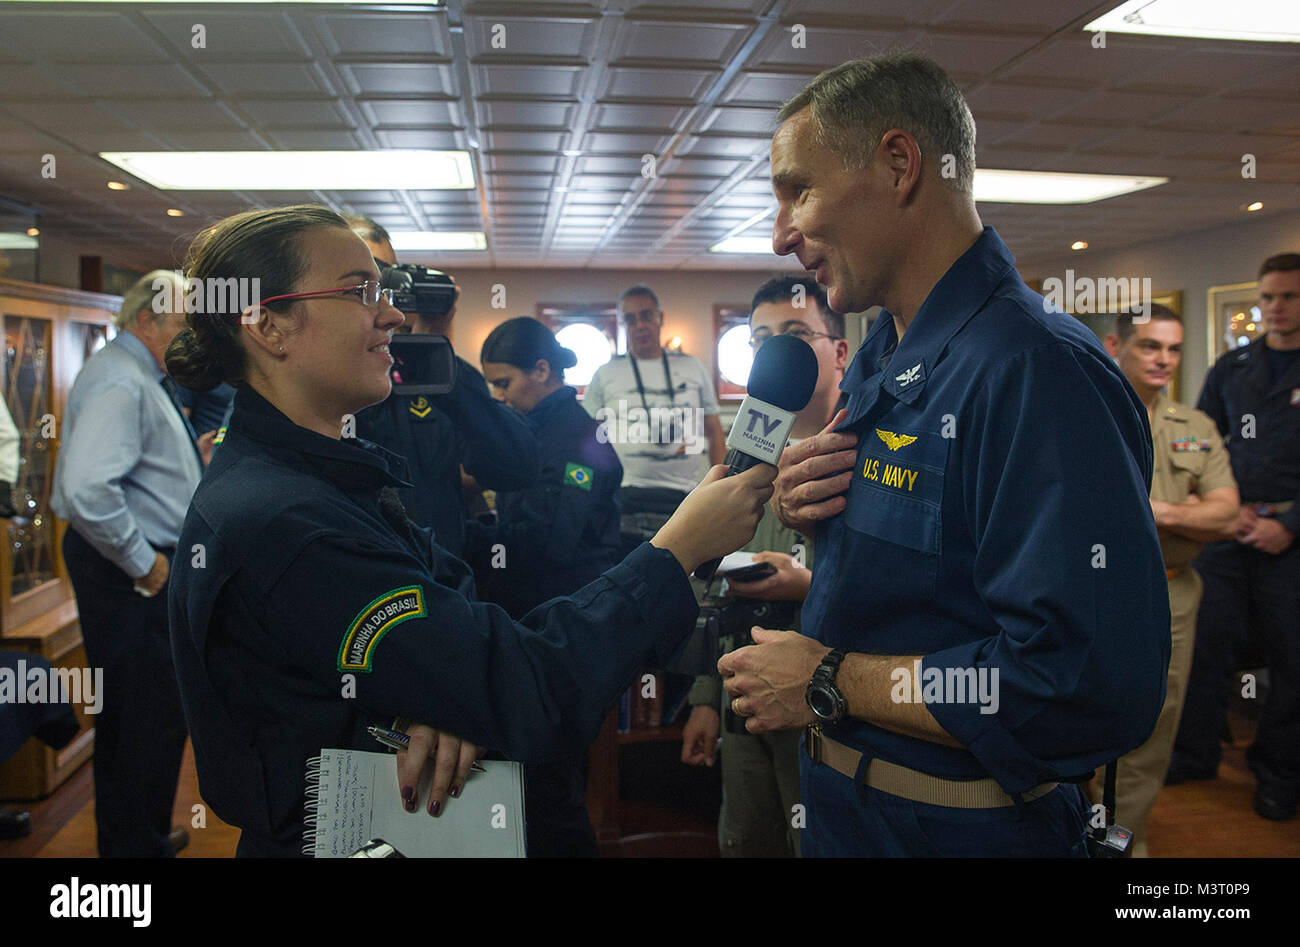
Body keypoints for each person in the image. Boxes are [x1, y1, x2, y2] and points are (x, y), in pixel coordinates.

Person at [164, 205, 774, 857]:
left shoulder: (325, 474)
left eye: (389, 292)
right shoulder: (284, 519)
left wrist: (438, 689)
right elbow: (530, 685)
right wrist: (677, 548)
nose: (393, 315)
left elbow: (437, 584)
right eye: (360, 291)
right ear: (268, 324)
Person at [716, 52, 1169, 857]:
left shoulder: (1034, 369)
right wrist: (809, 509)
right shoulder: (883, 351)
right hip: (844, 812)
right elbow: (928, 582)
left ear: (899, 165)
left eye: (798, 190)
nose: (782, 233)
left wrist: (830, 678)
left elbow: (1081, 685)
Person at [679, 274, 847, 857]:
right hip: (741, 691)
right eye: (763, 339)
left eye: (797, 334)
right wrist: (706, 696)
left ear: (839, 351)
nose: (779, 352)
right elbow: (713, 575)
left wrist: (806, 585)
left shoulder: (868, 444)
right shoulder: (749, 440)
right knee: (747, 840)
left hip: (829, 700)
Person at [50, 269, 206, 856]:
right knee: (143, 715)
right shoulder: (124, 380)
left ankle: (138, 836)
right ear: (147, 320)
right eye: (184, 325)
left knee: (149, 713)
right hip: (125, 571)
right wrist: (146, 565)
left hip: (126, 564)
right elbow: (89, 490)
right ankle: (131, 854)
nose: (194, 338)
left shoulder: (137, 372)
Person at [468, 316, 623, 857]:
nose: (498, 397)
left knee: (550, 777)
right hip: (533, 611)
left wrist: (468, 541)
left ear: (541, 370)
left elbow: (550, 542)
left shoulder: (580, 437)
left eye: (503, 383)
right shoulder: (535, 428)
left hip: (565, 617)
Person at [1099, 306, 1238, 855]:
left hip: (1171, 591)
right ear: (1117, 344)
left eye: (1174, 349)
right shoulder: (1086, 413)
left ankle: (1123, 847)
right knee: (1075, 711)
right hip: (1093, 590)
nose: (1164, 360)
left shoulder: (1194, 428)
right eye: (1151, 346)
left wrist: (1154, 512)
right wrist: (1188, 511)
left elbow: (1228, 515)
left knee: (1153, 728)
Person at [1170, 252, 1300, 821]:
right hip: (1228, 531)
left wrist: (1288, 526)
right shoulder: (1233, 366)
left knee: (1289, 660)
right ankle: (1195, 752)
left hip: (1290, 540)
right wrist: (1222, 509)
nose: (1275, 308)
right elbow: (1201, 442)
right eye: (1267, 297)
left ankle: (1279, 775)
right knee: (1206, 648)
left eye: (1288, 297)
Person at [346, 215, 540, 556]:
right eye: (362, 286)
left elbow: (516, 467)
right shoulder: (314, 385)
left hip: (442, 584)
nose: (382, 301)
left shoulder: (430, 376)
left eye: (387, 281)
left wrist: (433, 349)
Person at [583, 285, 726, 543]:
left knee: (679, 574)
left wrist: (720, 487)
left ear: (661, 318)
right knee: (629, 576)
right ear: (623, 324)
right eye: (630, 319)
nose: (639, 325)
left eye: (647, 315)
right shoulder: (605, 373)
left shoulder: (692, 367)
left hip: (684, 496)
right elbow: (588, 437)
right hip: (625, 496)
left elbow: (714, 430)